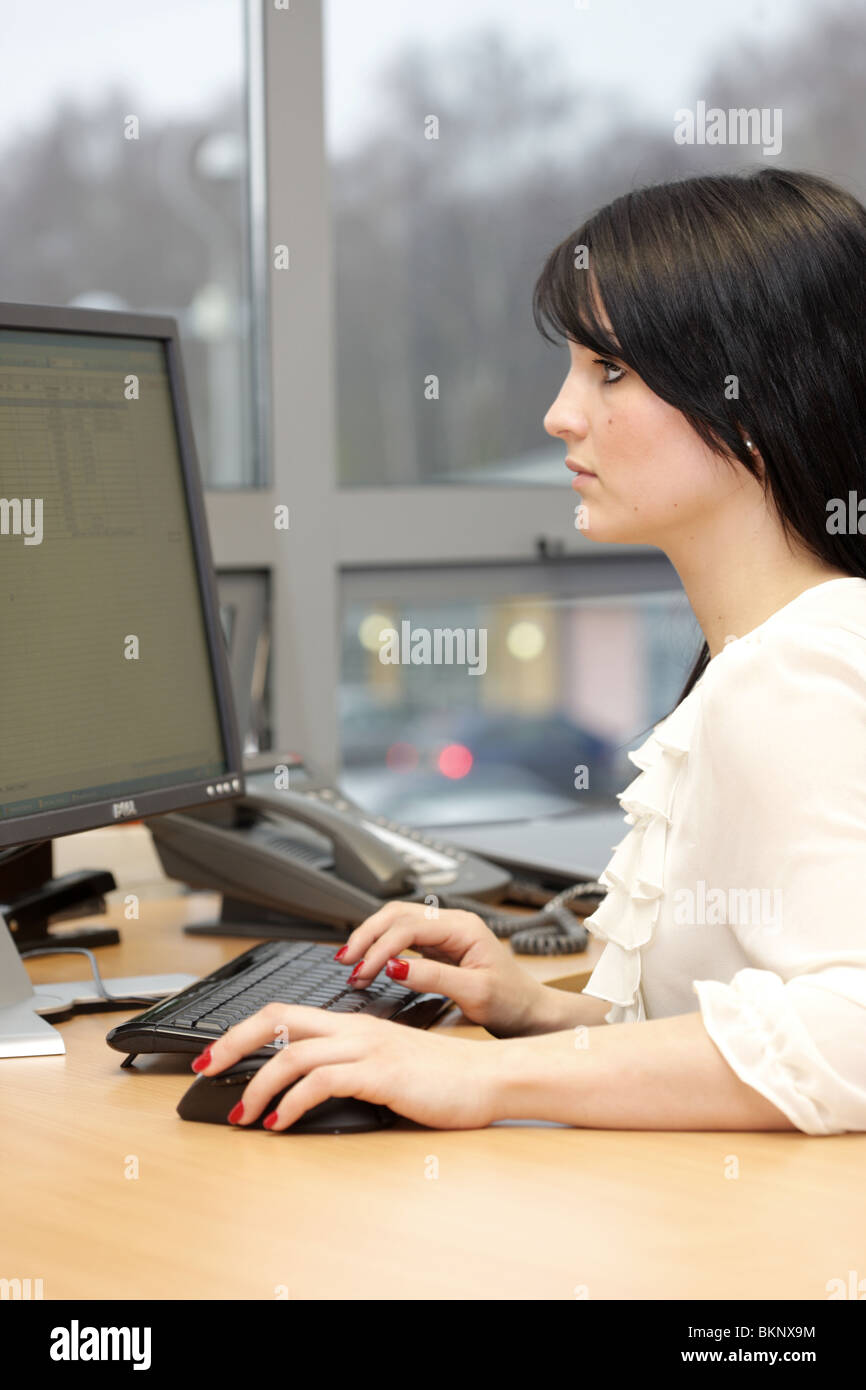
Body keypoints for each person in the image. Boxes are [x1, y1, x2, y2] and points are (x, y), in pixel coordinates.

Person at [193, 167, 866, 1135]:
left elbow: (850, 1028)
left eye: (610, 370)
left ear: (751, 399)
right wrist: (537, 1010)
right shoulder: (761, 655)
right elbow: (731, 1012)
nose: (559, 414)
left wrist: (482, 1081)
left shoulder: (799, 670)